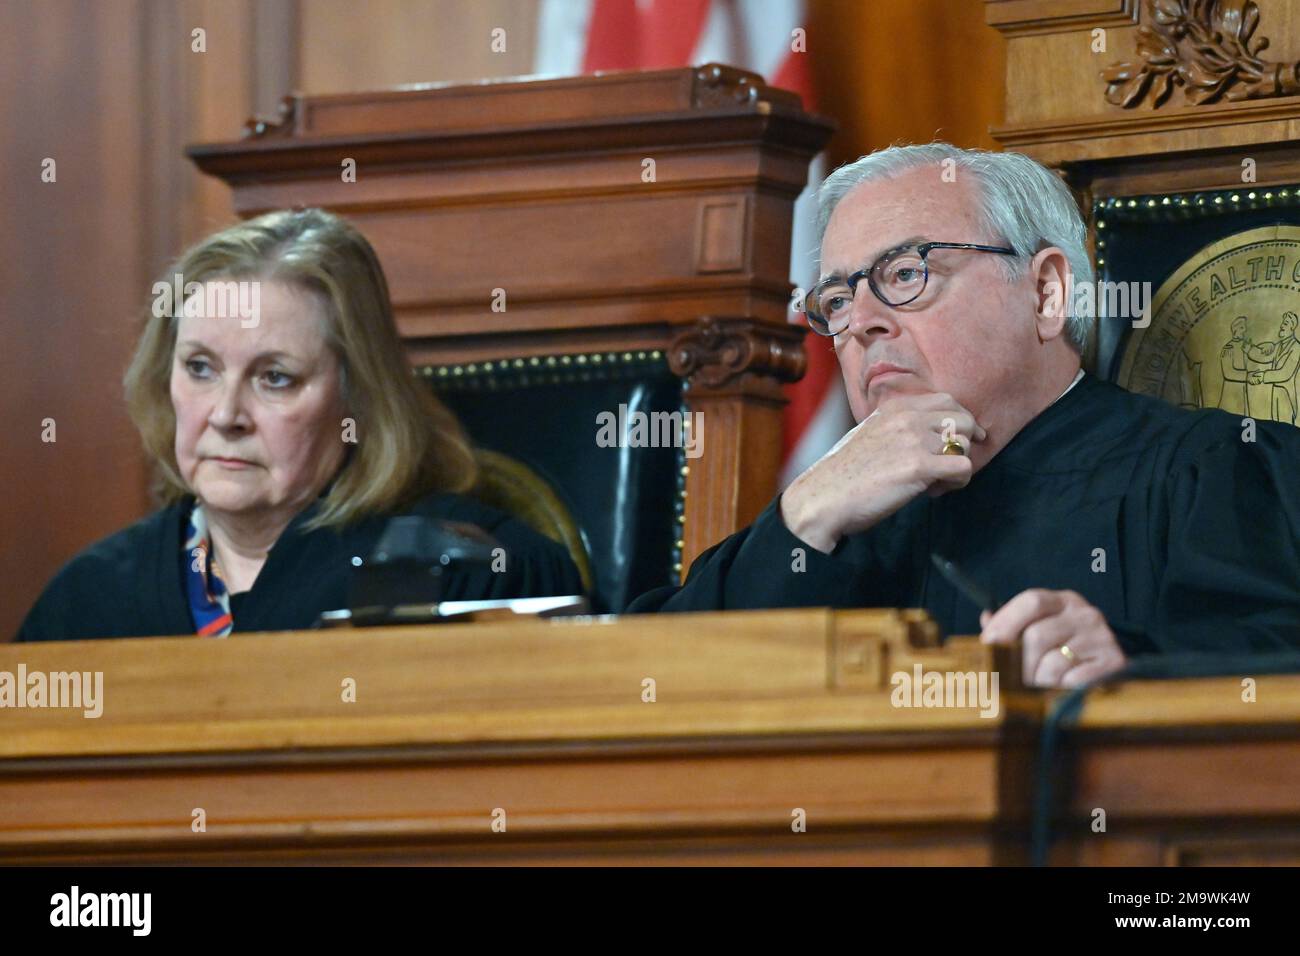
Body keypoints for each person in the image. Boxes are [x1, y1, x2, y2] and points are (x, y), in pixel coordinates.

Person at [629, 144, 1300, 687]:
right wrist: (800, 520)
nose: (859, 323)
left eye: (905, 274)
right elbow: (645, 688)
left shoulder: (1213, 470)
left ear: (1045, 293)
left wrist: (1131, 668)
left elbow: (1266, 673)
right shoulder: (835, 518)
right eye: (836, 299)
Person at [18, 209, 581, 641]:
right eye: (200, 368)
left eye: (275, 378)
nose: (226, 415)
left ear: (357, 395)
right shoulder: (88, 598)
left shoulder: (475, 575)